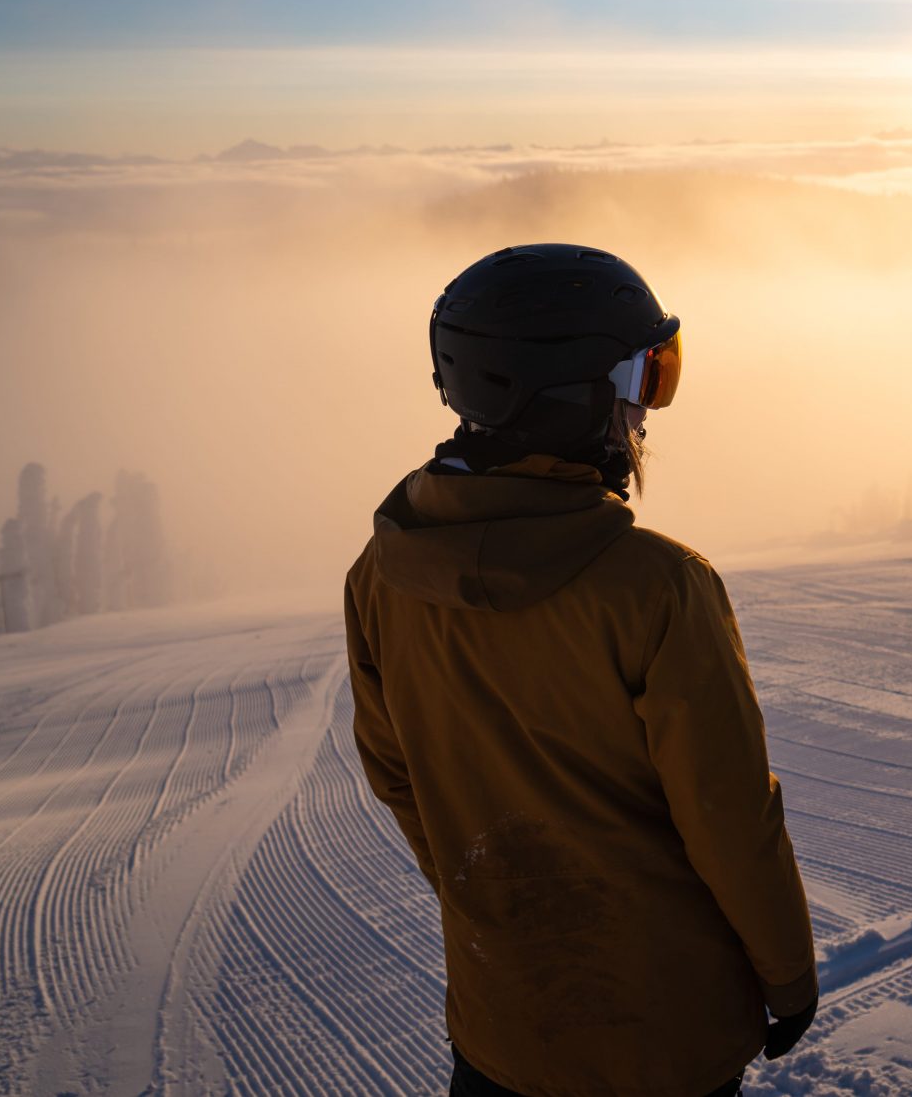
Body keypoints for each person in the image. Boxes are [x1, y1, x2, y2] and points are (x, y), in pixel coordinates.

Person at [343, 244, 819, 1097]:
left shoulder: (383, 572)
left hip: (501, 1030)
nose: (648, 412)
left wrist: (492, 896)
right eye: (646, 377)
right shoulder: (658, 587)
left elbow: (396, 773)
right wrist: (787, 976)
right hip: (662, 1042)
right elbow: (728, 814)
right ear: (569, 395)